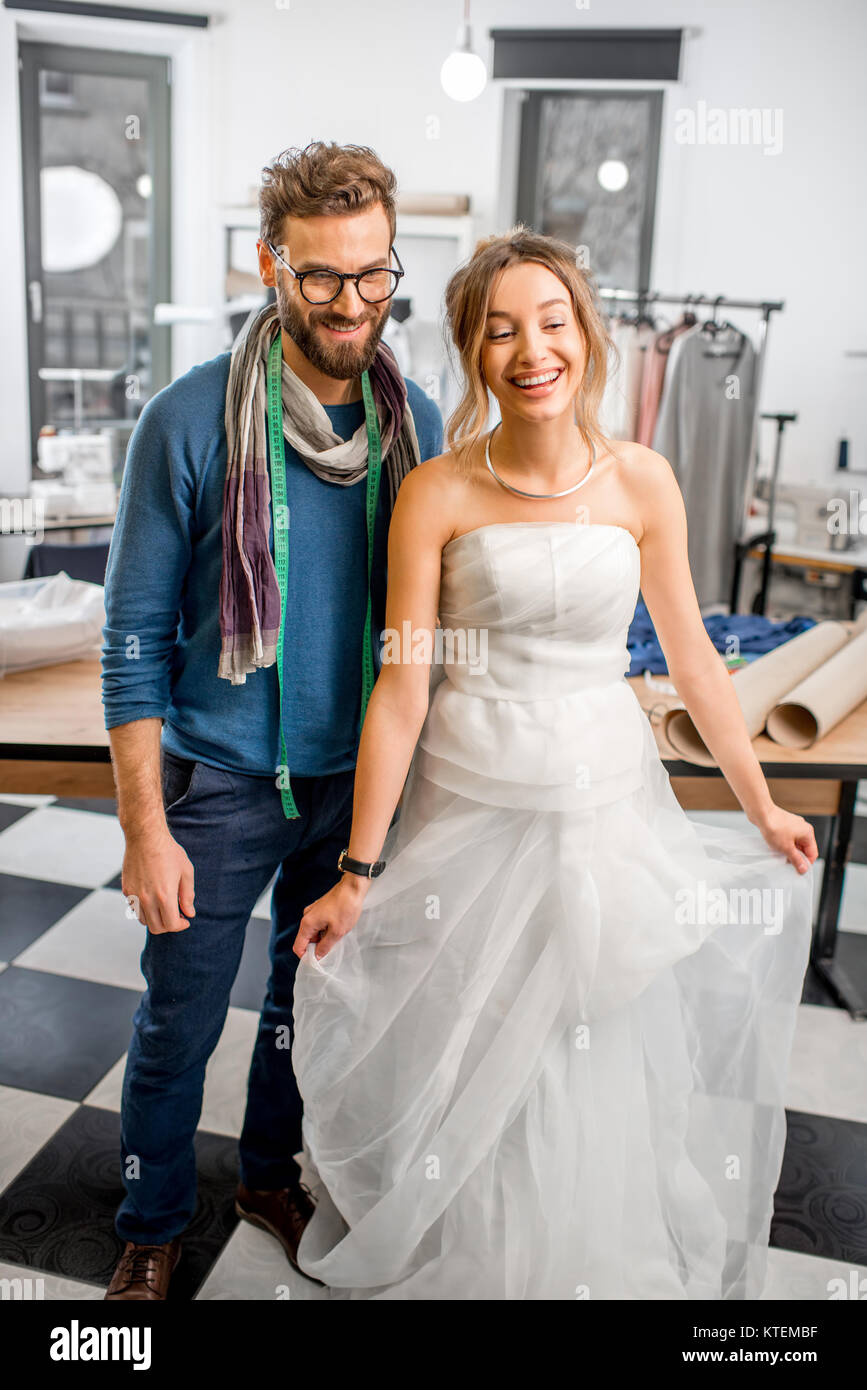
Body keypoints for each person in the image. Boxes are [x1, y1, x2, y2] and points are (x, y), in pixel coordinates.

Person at [288, 227, 818, 1301]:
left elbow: (697, 663)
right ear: (476, 354)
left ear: (586, 335)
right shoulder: (435, 494)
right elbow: (402, 686)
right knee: (471, 1030)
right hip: (469, 799)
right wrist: (359, 869)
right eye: (501, 331)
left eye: (552, 322)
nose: (532, 350)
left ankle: (579, 1249)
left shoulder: (643, 482)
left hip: (602, 801)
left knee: (593, 1036)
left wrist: (760, 804)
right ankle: (462, 1238)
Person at [100, 142, 443, 1301]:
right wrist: (146, 829)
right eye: (321, 278)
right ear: (270, 265)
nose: (352, 305)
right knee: (177, 1026)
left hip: (355, 792)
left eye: (373, 275)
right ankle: (150, 1221)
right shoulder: (186, 419)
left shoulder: (416, 423)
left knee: (306, 1012)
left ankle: (263, 1173)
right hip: (218, 788)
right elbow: (135, 638)